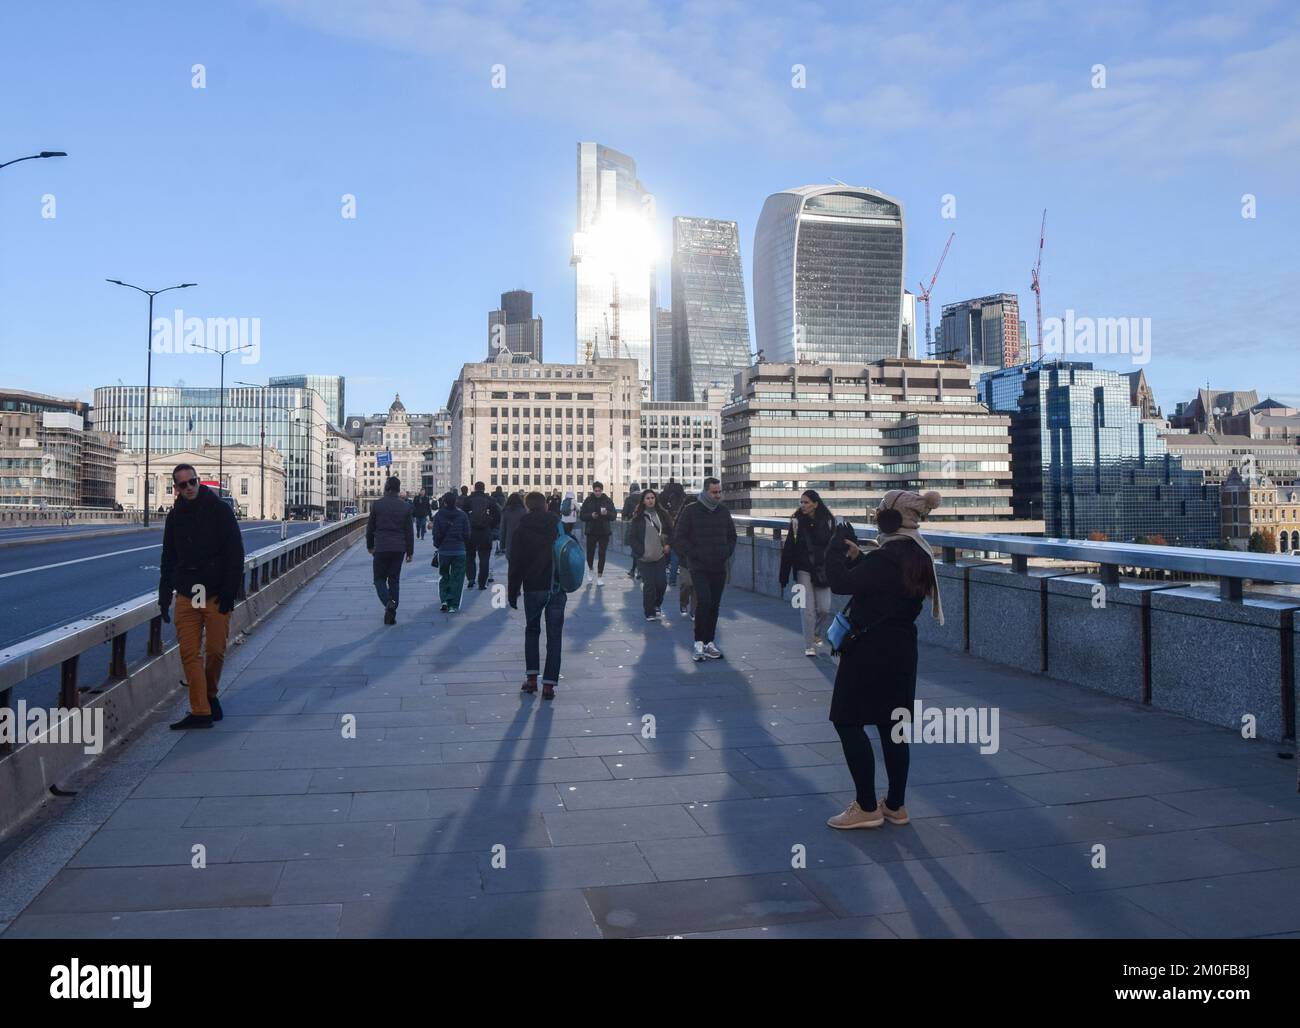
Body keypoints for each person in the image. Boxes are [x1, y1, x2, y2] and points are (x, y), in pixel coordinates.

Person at [824, 490, 944, 830]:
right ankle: (895, 806)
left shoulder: (886, 558)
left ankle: (865, 807)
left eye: (879, 510)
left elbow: (839, 583)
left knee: (847, 721)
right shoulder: (918, 554)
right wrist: (861, 556)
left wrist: (835, 548)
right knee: (893, 727)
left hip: (868, 652)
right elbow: (884, 584)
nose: (876, 515)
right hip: (902, 651)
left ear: (891, 518)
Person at [157, 463, 245, 730]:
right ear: (177, 488)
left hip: (215, 593)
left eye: (192, 482)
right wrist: (164, 596)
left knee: (216, 651)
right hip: (188, 593)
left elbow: (235, 554)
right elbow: (168, 558)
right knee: (189, 653)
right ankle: (201, 711)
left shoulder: (219, 510)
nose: (189, 488)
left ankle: (209, 694)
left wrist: (230, 592)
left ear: (199, 480)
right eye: (183, 485)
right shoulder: (174, 517)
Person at [508, 491, 567, 700]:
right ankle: (549, 685)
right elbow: (570, 550)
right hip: (556, 587)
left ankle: (532, 679)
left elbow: (515, 562)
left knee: (532, 631)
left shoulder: (522, 529)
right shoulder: (558, 525)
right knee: (555, 636)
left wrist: (513, 591)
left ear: (528, 506)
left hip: (533, 587)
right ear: (545, 505)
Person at [672, 477, 736, 662]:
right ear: (706, 491)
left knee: (714, 605)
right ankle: (699, 642)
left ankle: (710, 642)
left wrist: (726, 552)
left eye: (719, 492)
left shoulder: (723, 512)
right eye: (714, 492)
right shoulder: (690, 511)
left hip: (719, 566)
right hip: (698, 566)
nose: (718, 495)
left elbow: (732, 536)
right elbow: (679, 537)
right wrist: (693, 554)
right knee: (704, 601)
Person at [779, 489, 835, 657]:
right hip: (802, 570)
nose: (803, 505)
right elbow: (789, 547)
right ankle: (809, 644)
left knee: (824, 608)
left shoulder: (829, 522)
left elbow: (834, 547)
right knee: (807, 609)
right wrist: (784, 574)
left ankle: (817, 632)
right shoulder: (796, 522)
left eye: (806, 502)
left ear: (815, 504)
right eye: (801, 502)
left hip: (822, 570)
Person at [366, 476, 414, 625]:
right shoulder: (405, 506)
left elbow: (370, 528)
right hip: (398, 549)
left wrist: (370, 546)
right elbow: (409, 531)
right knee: (394, 580)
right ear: (399, 489)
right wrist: (410, 551)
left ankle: (388, 603)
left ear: (386, 488)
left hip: (381, 548)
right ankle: (392, 609)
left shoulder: (377, 505)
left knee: (379, 579)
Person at [628, 488, 673, 621]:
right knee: (649, 585)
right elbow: (632, 538)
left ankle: (657, 604)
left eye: (652, 498)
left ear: (655, 499)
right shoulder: (638, 517)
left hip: (660, 556)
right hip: (644, 558)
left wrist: (668, 544)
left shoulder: (663, 514)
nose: (650, 500)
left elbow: (671, 532)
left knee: (661, 583)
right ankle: (649, 612)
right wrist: (640, 551)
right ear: (643, 501)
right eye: (647, 498)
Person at [432, 490, 470, 613]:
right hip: (459, 550)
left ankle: (444, 599)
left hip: (444, 551)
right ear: (456, 502)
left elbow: (436, 534)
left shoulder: (438, 515)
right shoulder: (463, 515)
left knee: (444, 575)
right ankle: (453, 604)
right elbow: (467, 534)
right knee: (457, 578)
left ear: (443, 502)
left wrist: (438, 545)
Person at [464, 481, 500, 590]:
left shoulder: (468, 500)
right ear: (484, 489)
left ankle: (471, 578)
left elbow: (463, 515)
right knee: (484, 558)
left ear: (475, 488)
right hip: (485, 532)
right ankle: (482, 582)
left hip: (471, 532)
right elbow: (498, 515)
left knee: (470, 556)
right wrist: (491, 525)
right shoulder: (490, 500)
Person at [579, 481, 617, 582]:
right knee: (590, 553)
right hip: (591, 531)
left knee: (602, 553)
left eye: (599, 491)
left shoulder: (607, 500)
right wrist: (590, 516)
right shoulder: (588, 500)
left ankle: (600, 576)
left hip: (604, 532)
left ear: (602, 490)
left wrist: (607, 513)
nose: (597, 493)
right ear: (593, 490)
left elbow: (614, 516)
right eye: (595, 491)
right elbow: (581, 516)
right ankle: (590, 569)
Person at [659, 477, 687, 586]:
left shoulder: (665, 497)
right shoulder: (683, 499)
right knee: (678, 559)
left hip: (669, 534)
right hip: (681, 535)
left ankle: (671, 579)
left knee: (672, 557)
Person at [621, 481, 643, 581]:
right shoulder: (644, 498)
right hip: (644, 527)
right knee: (639, 550)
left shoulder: (629, 499)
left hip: (633, 527)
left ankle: (636, 571)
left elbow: (624, 514)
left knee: (635, 550)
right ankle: (635, 570)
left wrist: (627, 517)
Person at [499, 491, 525, 557]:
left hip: (510, 543)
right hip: (522, 543)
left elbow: (502, 530)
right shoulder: (524, 511)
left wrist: (502, 545)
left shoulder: (505, 512)